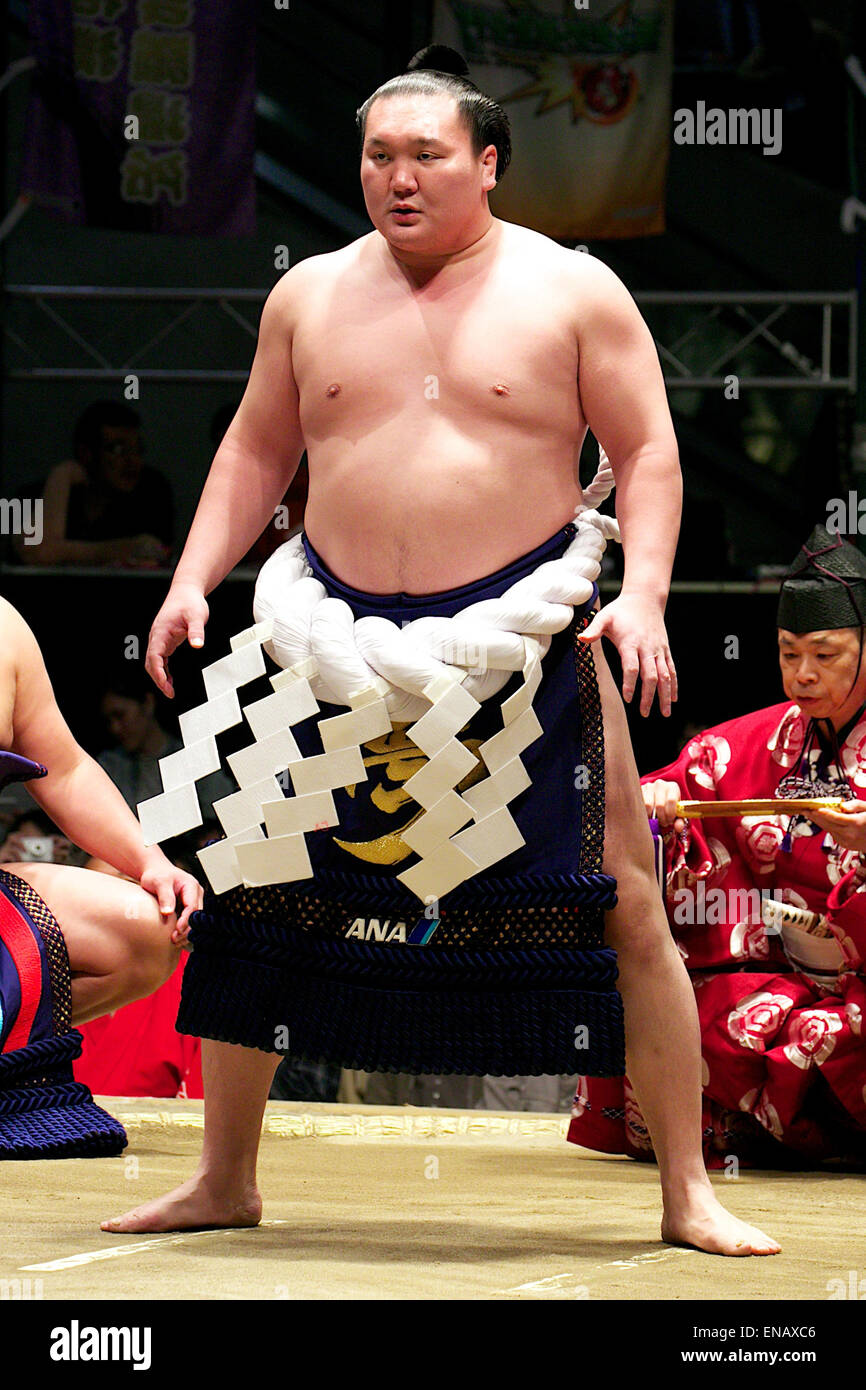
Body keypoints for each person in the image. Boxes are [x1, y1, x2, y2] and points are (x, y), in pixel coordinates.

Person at [102, 45, 777, 1255]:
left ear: (488, 163)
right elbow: (256, 452)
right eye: (377, 156)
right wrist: (192, 578)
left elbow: (650, 454)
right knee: (257, 889)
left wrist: (647, 595)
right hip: (328, 639)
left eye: (426, 155)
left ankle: (687, 1189)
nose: (398, 178)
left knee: (623, 904)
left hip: (525, 639)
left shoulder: (572, 291)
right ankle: (225, 1176)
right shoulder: (305, 292)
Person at [569, 525, 866, 1168]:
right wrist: (660, 813)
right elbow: (657, 791)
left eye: (826, 654)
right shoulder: (741, 747)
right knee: (680, 1012)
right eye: (789, 654)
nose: (804, 675)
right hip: (775, 977)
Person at [0, 593, 202, 1155]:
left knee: (147, 927)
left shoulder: (4, 627)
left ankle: (7, 1053)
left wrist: (151, 863)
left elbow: (62, 772)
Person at [18, 400, 174, 568]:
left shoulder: (151, 492)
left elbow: (155, 554)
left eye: (137, 450)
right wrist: (62, 474)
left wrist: (63, 552)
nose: (132, 461)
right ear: (86, 453)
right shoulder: (36, 494)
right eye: (118, 450)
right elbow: (37, 552)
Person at [98, 666, 234, 820]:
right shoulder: (110, 765)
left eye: (120, 715)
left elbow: (225, 812)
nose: (115, 728)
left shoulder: (192, 758)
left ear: (147, 704)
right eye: (109, 721)